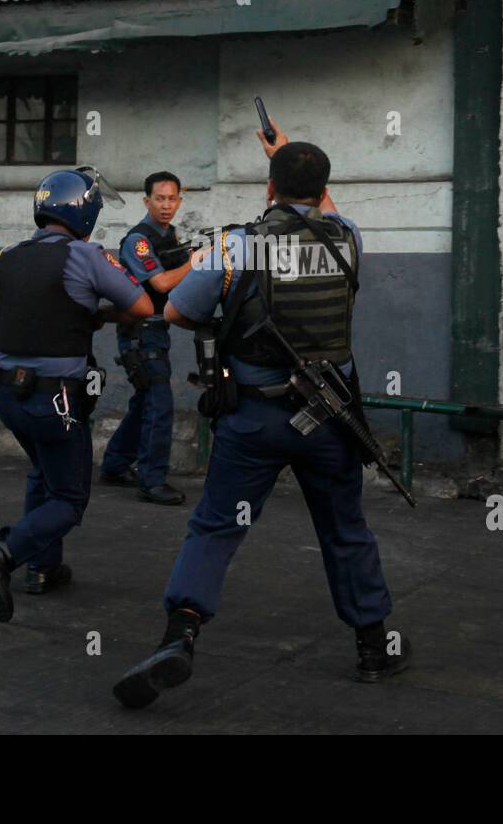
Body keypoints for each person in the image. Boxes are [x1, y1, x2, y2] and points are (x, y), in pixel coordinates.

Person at [112, 123, 409, 710]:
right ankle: (373, 645)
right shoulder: (347, 238)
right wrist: (288, 158)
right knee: (345, 530)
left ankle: (181, 637)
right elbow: (324, 209)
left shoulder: (235, 246)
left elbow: (175, 311)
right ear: (324, 187)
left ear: (269, 190)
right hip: (329, 417)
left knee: (216, 526)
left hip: (252, 419)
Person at [0, 168, 154, 617]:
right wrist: (99, 315)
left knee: (42, 474)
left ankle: (42, 567)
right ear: (83, 209)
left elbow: (11, 312)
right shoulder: (86, 255)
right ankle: (5, 553)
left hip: (7, 396)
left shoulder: (7, 255)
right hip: (57, 401)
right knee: (69, 500)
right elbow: (142, 306)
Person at [99, 171, 197, 505]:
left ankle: (114, 465)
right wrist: (197, 261)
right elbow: (162, 284)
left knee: (145, 403)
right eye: (160, 198)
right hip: (140, 335)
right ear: (147, 201)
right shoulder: (138, 240)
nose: (166, 205)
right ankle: (152, 480)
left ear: (179, 201)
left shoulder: (172, 237)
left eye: (172, 198)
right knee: (160, 405)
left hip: (157, 331)